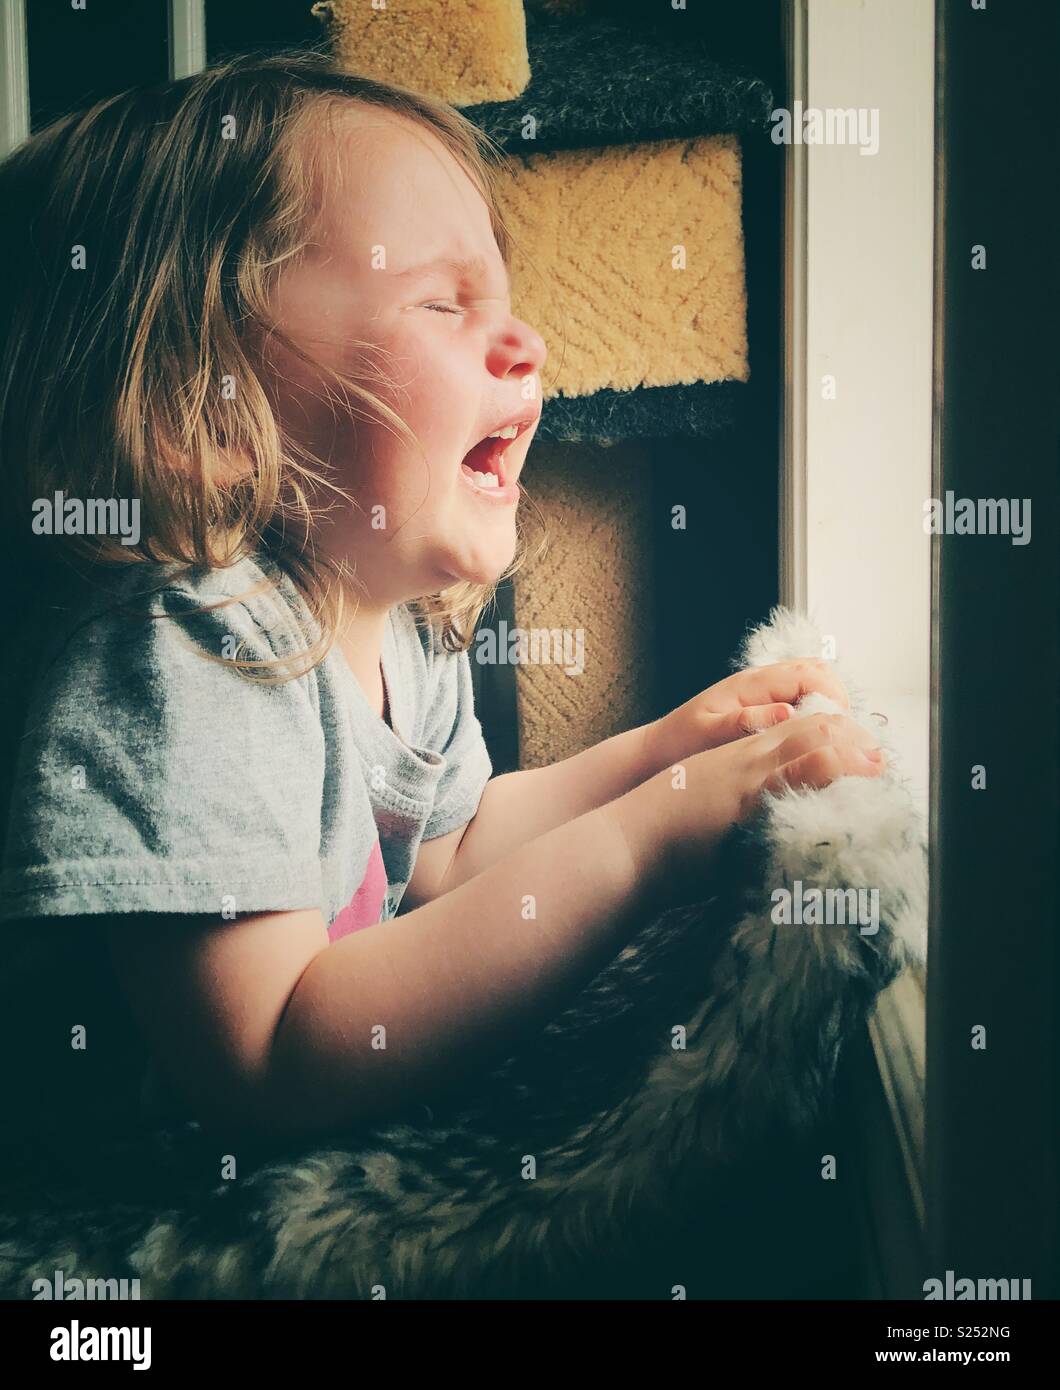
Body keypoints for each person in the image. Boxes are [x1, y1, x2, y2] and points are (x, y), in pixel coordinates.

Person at [0, 50, 886, 1154]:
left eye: (504, 302)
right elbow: (273, 1049)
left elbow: (454, 849)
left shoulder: (394, 624)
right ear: (213, 413)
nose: (528, 344)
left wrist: (669, 750)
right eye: (440, 301)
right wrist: (653, 836)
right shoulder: (190, 648)